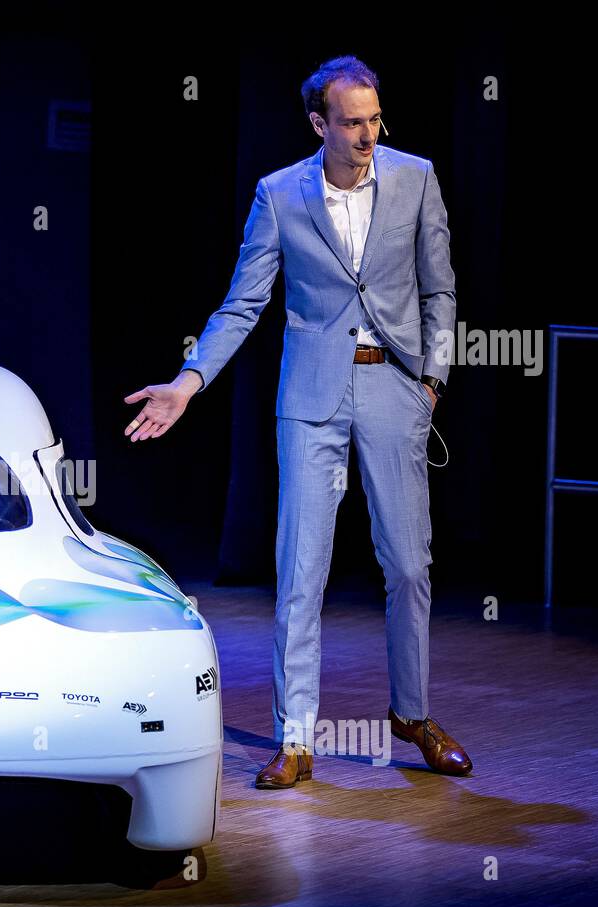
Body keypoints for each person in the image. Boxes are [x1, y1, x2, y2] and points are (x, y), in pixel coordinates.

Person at [122, 55, 473, 788]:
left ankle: (412, 714)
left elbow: (441, 289)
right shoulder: (280, 195)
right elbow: (242, 304)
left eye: (375, 118)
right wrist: (189, 383)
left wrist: (432, 380)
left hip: (396, 388)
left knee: (408, 565)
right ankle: (298, 739)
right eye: (351, 122)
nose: (367, 135)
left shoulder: (416, 178)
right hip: (312, 400)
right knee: (300, 570)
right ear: (319, 124)